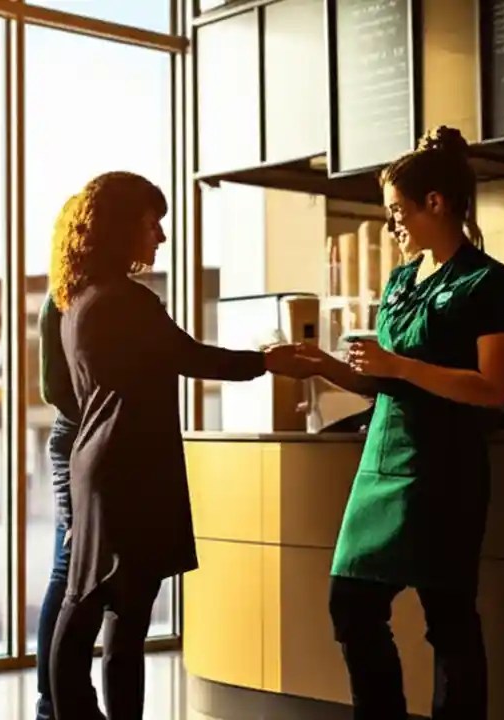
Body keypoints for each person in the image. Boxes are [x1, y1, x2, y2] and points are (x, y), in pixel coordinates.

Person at [47, 171, 317, 720]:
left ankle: (70, 711)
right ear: (124, 228)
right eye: (153, 225)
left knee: (83, 603)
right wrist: (270, 361)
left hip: (99, 462)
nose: (161, 238)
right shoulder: (127, 300)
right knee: (123, 619)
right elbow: (196, 359)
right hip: (134, 469)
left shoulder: (77, 299)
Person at [297, 127, 504, 720]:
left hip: (444, 473)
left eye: (397, 211)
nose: (393, 223)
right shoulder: (399, 282)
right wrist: (322, 365)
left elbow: (492, 387)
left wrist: (400, 364)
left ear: (436, 203)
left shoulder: (490, 282)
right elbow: (384, 382)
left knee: (448, 621)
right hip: (382, 465)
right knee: (350, 605)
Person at [34, 194, 85, 720]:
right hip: (75, 440)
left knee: (77, 573)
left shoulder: (103, 296)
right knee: (68, 569)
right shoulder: (62, 300)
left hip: (91, 438)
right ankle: (51, 703)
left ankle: (63, 699)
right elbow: (55, 389)